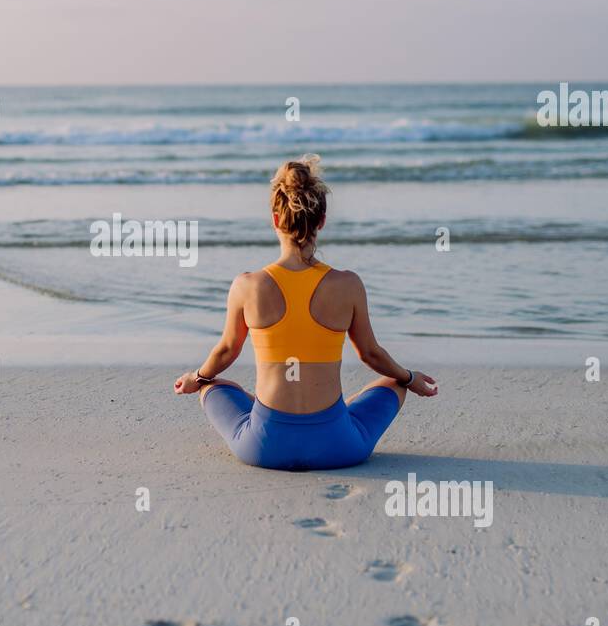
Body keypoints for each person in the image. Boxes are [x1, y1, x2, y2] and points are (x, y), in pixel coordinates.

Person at [174, 155, 437, 470]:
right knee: (393, 383)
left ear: (275, 219)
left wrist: (195, 377)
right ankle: (337, 416)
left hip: (263, 447)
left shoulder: (247, 285)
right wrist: (410, 378)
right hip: (339, 448)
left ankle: (265, 409)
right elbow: (371, 354)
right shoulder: (348, 284)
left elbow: (227, 351)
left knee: (213, 384)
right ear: (322, 221)